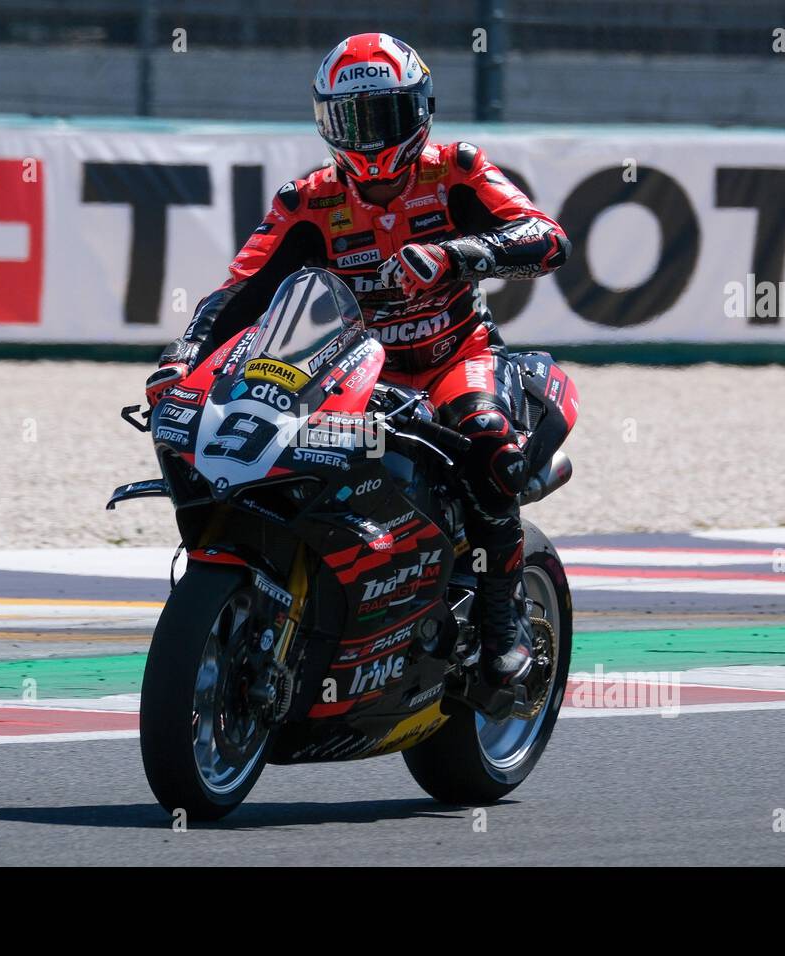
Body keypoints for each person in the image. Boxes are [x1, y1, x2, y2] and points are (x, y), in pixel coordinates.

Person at [146, 33, 571, 686]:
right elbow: (238, 292)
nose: (369, 138)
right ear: (326, 123)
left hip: (452, 358)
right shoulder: (306, 201)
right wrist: (181, 360)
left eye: (384, 117)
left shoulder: (456, 169)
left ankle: (500, 615)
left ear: (420, 111)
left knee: (488, 441)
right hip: (346, 368)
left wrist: (458, 254)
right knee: (235, 435)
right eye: (352, 120)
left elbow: (546, 238)